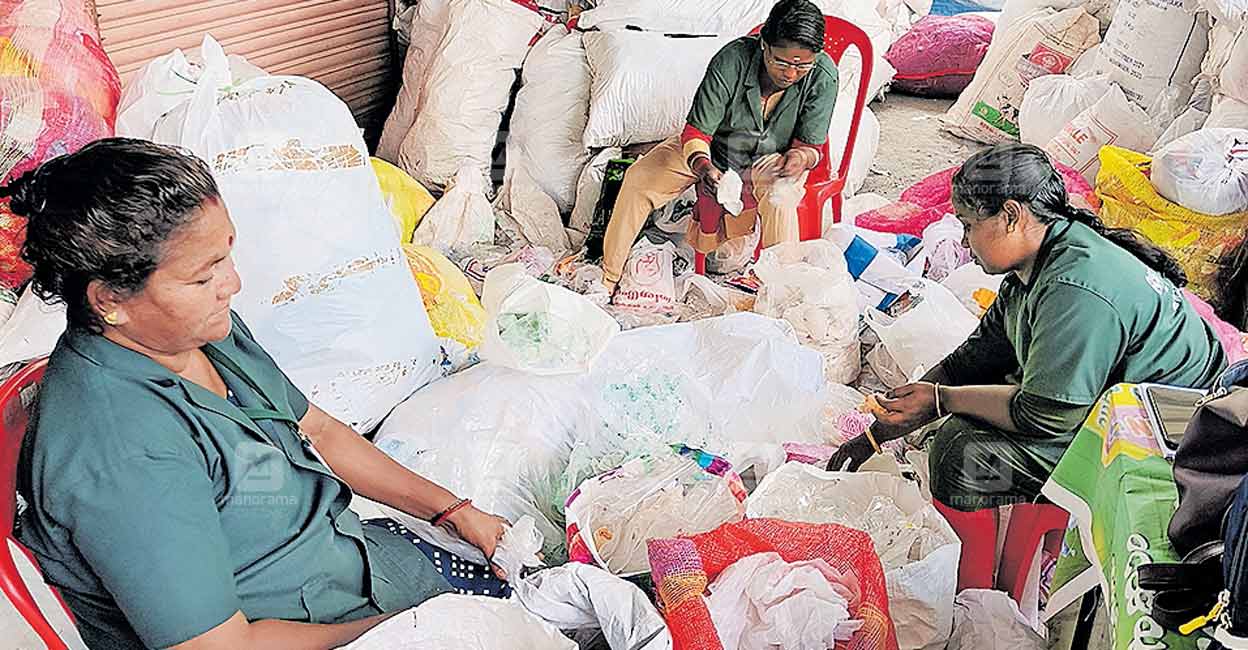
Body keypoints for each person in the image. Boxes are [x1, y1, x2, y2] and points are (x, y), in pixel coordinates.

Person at [10, 139, 512, 649]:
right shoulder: (123, 448)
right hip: (304, 628)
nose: (233, 283)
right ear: (110, 300)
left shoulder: (199, 334)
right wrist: (415, 626)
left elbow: (316, 429)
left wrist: (451, 510)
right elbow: (218, 646)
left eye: (226, 255)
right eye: (203, 275)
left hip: (352, 566)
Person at [828, 143, 1226, 588]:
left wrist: (941, 401)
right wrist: (877, 433)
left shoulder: (1074, 289)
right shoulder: (1038, 262)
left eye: (968, 226)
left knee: (961, 453)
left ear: (1012, 215)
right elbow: (974, 359)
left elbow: (1044, 412)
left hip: (1169, 439)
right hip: (1125, 403)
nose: (963, 241)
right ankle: (995, 569)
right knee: (969, 408)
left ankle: (974, 594)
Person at [599, 0, 836, 294]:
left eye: (802, 65)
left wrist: (800, 157)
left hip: (770, 159)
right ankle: (607, 278)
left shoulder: (823, 74)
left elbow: (811, 146)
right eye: (782, 62)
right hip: (713, 149)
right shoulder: (732, 60)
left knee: (780, 198)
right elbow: (697, 131)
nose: (790, 73)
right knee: (640, 178)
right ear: (764, 44)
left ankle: (779, 295)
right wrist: (703, 166)